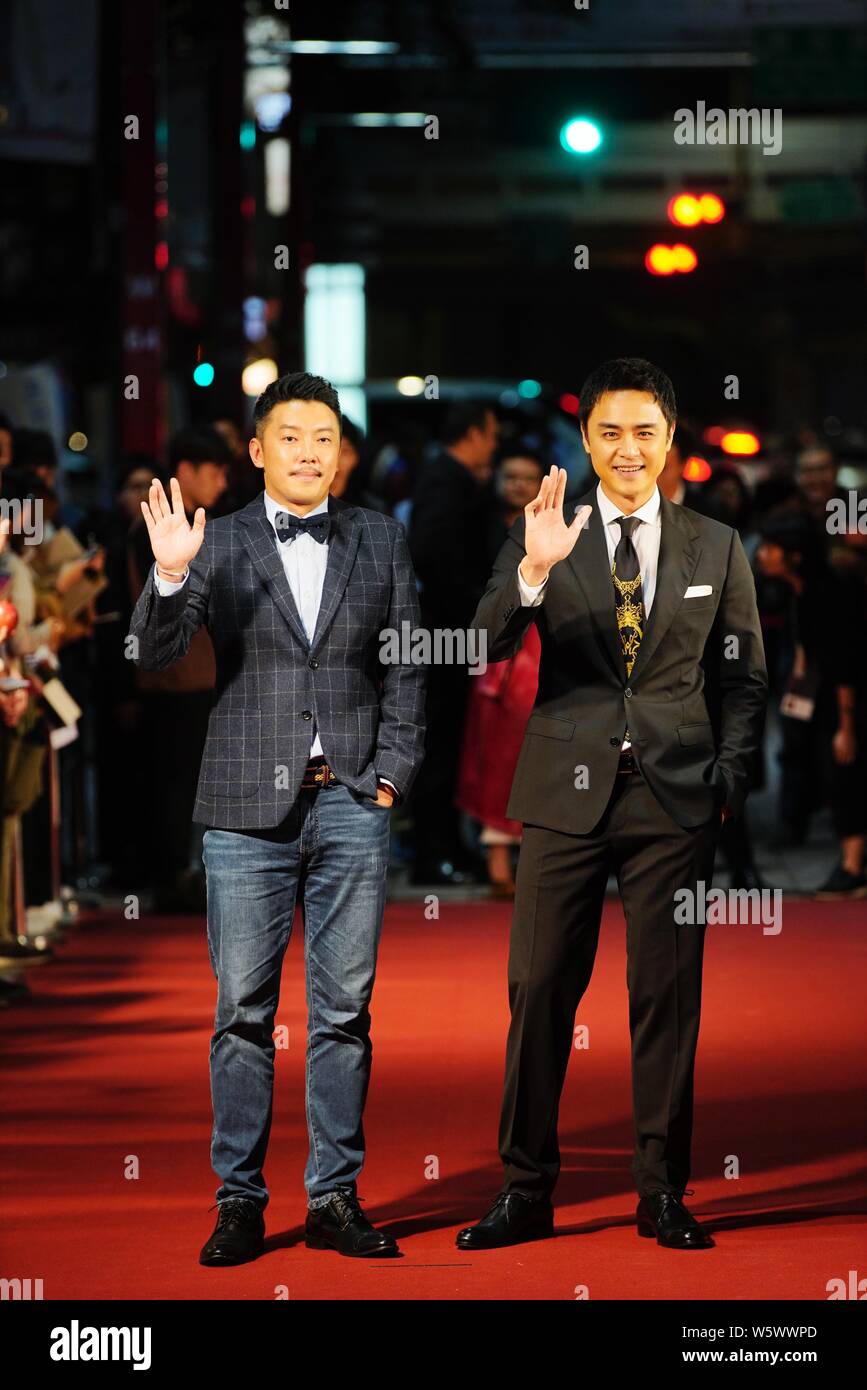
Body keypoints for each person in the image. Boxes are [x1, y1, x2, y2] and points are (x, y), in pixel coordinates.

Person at [460, 357, 767, 1252]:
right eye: (608, 432)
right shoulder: (546, 528)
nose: (626, 448)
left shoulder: (716, 544)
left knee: (665, 998)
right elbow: (475, 641)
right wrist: (529, 573)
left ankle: (662, 1190)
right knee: (538, 989)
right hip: (564, 793)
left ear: (671, 439)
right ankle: (524, 1188)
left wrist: (728, 778)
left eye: (644, 431)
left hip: (675, 799)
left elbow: (743, 677)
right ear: (585, 439)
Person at [127, 371, 425, 1265]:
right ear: (257, 452)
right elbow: (149, 650)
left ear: (342, 454)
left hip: (350, 803)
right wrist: (171, 571)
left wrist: (394, 775)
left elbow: (409, 660)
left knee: (344, 1012)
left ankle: (334, 1196)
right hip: (241, 813)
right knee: (241, 1012)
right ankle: (239, 1201)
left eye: (323, 438)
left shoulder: (381, 537)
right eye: (289, 437)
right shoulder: (214, 540)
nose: (307, 452)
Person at [407, 402, 499, 883]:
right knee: (440, 744)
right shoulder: (446, 479)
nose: (494, 443)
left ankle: (448, 847)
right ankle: (432, 854)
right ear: (473, 433)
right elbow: (430, 552)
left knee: (455, 743)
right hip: (446, 634)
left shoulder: (451, 479)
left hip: (452, 631)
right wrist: (472, 607)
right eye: (490, 433)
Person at [457, 450, 546, 895]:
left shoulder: (560, 526)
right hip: (493, 650)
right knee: (495, 750)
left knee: (539, 751)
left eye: (527, 477)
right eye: (510, 476)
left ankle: (536, 864)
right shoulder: (480, 525)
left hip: (543, 647)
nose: (517, 485)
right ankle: (496, 863)